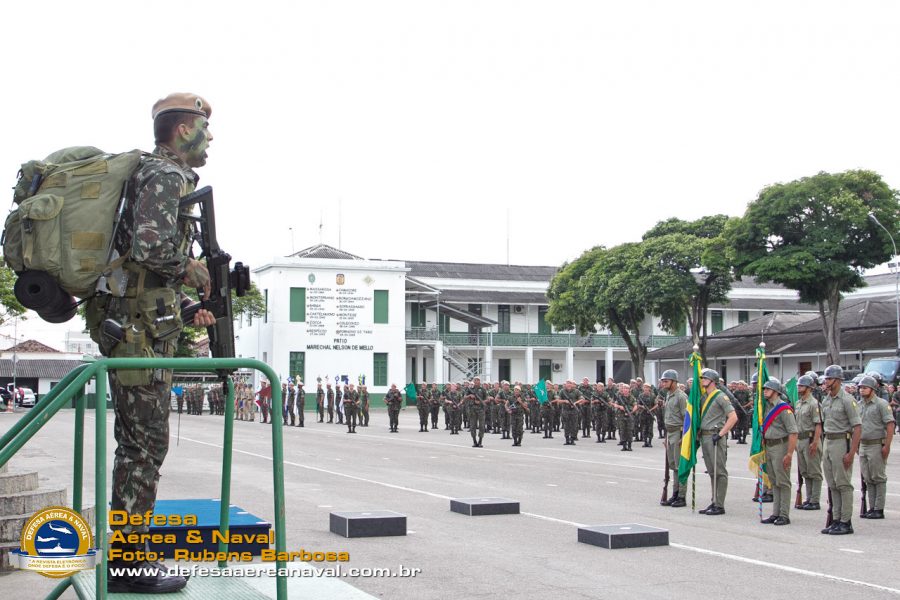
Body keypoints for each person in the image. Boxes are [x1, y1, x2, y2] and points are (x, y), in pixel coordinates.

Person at [96, 92, 216, 594]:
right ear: (184, 129)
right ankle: (128, 565)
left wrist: (188, 307)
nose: (212, 137)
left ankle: (129, 557)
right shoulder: (164, 175)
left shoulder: (156, 175)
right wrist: (191, 268)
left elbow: (140, 267)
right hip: (136, 337)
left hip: (140, 326)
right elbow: (148, 248)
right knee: (143, 448)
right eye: (206, 126)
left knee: (139, 447)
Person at [820, 364, 862, 535]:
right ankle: (836, 519)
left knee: (843, 484)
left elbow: (857, 427)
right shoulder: (827, 400)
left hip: (841, 442)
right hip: (828, 442)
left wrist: (851, 452)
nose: (826, 382)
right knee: (832, 484)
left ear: (837, 380)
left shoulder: (847, 400)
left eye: (829, 379)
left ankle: (846, 521)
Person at [697, 369, 738, 516]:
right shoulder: (703, 398)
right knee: (712, 471)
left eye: (704, 378)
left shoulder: (721, 397)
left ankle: (720, 504)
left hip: (715, 436)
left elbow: (733, 417)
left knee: (720, 472)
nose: (702, 380)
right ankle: (714, 501)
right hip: (705, 437)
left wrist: (721, 434)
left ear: (712, 381)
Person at [759, 378, 798, 525]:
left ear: (776, 391)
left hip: (780, 446)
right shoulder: (768, 406)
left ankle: (784, 514)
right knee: (774, 481)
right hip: (769, 446)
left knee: (783, 481)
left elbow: (793, 432)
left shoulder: (784, 409)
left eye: (767, 389)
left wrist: (789, 454)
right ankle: (775, 513)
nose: (765, 391)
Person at [857, 375, 894, 519]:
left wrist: (887, 446)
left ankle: (879, 508)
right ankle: (871, 507)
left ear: (872, 389)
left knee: (878, 477)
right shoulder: (859, 405)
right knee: (868, 477)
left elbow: (890, 425)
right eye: (860, 388)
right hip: (864, 444)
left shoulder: (881, 404)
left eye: (864, 388)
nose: (861, 390)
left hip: (876, 443)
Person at [794, 374, 823, 510]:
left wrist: (815, 442)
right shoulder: (798, 403)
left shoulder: (814, 404)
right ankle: (809, 498)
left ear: (809, 388)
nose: (799, 388)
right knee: (805, 471)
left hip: (811, 439)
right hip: (800, 439)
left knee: (814, 471)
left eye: (802, 386)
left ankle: (815, 500)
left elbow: (818, 424)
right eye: (799, 385)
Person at [660, 370, 687, 508]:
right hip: (670, 433)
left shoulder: (681, 397)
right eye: (663, 381)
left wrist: (684, 437)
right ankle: (675, 493)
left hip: (678, 432)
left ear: (674, 382)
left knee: (679, 466)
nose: (663, 383)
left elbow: (686, 418)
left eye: (666, 381)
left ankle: (681, 495)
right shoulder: (668, 395)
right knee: (672, 465)